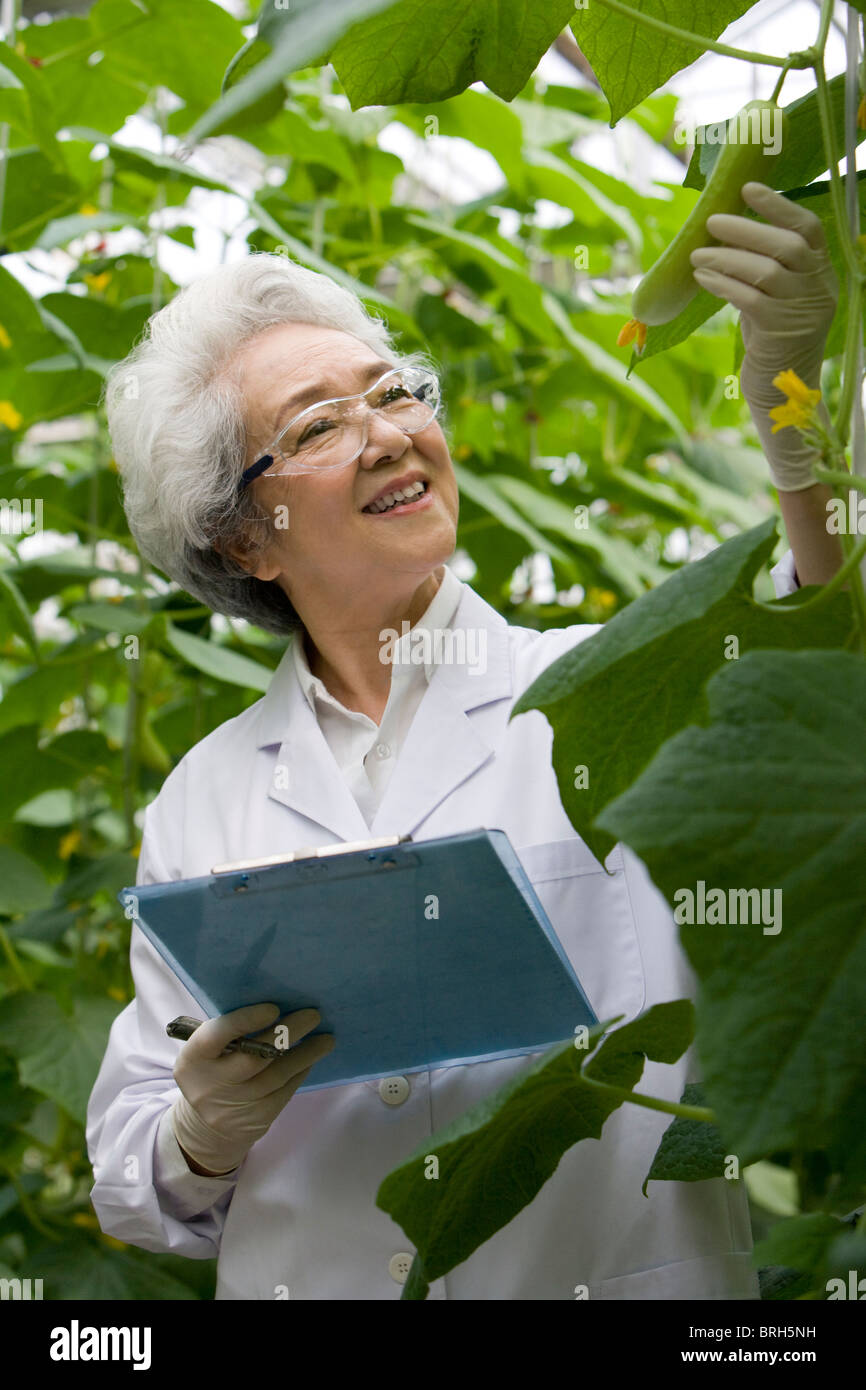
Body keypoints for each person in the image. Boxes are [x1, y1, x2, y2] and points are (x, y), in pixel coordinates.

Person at [86, 185, 840, 1299]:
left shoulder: (620, 675)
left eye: (394, 393)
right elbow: (134, 1186)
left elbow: (828, 650)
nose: (389, 433)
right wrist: (201, 1128)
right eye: (318, 425)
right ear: (245, 540)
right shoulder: (205, 800)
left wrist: (797, 416)